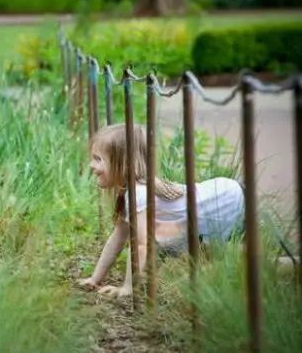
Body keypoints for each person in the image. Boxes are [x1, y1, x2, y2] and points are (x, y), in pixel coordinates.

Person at [77, 123, 246, 297]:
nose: (91, 165)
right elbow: (118, 237)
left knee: (231, 258)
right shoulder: (133, 191)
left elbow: (141, 244)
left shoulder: (138, 194)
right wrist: (95, 279)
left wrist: (128, 288)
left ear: (124, 164)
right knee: (224, 257)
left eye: (98, 159)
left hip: (224, 201)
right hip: (218, 197)